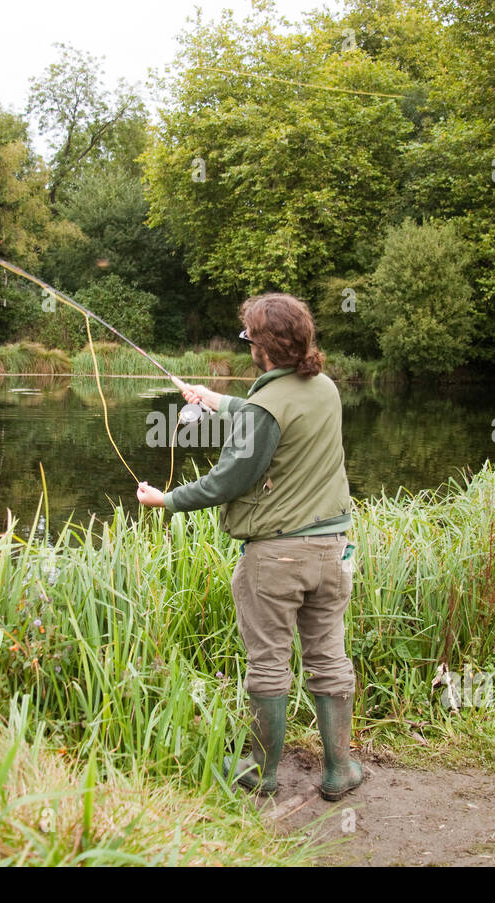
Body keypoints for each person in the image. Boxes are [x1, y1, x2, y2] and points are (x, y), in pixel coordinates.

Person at [135, 292, 363, 801]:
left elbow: (227, 480)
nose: (248, 349)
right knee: (329, 657)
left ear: (262, 349)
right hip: (334, 551)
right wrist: (212, 398)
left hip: (276, 558)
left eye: (250, 340)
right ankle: (338, 772)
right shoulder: (325, 388)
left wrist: (165, 499)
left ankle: (262, 774)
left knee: (267, 663)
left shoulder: (266, 410)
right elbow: (269, 412)